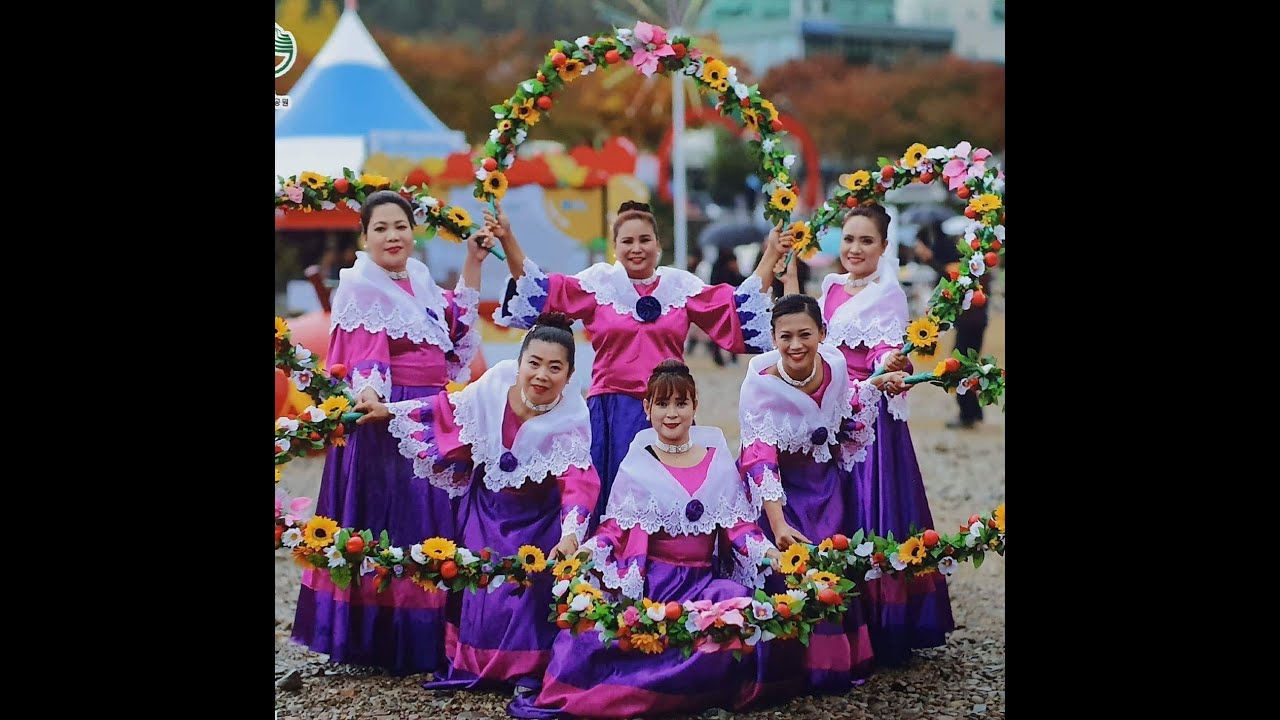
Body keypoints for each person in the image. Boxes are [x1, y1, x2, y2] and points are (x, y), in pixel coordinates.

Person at [291, 190, 496, 675]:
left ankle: (436, 635)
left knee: (435, 523)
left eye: (400, 226)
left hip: (431, 410)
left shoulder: (419, 279)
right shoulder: (362, 287)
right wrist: (371, 397)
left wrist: (473, 261)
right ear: (365, 237)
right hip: (389, 419)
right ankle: (392, 640)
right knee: (400, 522)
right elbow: (364, 354)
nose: (392, 236)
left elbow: (456, 337)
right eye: (380, 228)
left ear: (413, 231)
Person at [485, 200, 790, 522]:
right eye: (627, 241)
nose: (636, 248)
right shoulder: (598, 284)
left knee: (673, 503)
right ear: (615, 247)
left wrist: (770, 253)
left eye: (644, 240)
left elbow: (736, 308)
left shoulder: (680, 287)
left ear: (657, 245)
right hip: (610, 414)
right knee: (612, 506)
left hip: (670, 410)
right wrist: (507, 237)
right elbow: (539, 291)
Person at [509, 360, 783, 719]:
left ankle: (689, 687)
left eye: (681, 404)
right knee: (592, 634)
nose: (672, 414)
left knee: (742, 611)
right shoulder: (635, 465)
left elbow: (739, 528)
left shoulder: (717, 460)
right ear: (647, 408)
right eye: (662, 404)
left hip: (703, 583)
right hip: (654, 584)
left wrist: (771, 553)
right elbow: (614, 530)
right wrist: (583, 549)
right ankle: (655, 689)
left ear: (694, 407)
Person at [385, 312, 600, 695]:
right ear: (519, 364)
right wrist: (386, 413)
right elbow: (445, 412)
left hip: (537, 521)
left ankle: (528, 669)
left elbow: (579, 482)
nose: (541, 375)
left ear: (568, 377)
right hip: (485, 510)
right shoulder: (493, 387)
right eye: (533, 363)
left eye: (555, 368)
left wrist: (570, 535)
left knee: (525, 591)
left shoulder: (571, 417)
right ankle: (469, 660)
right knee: (478, 587)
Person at [738, 293, 908, 690]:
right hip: (779, 493)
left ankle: (836, 662)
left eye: (805, 334)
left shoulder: (834, 365)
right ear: (773, 338)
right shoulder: (759, 387)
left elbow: (844, 408)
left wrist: (875, 384)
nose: (796, 345)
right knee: (791, 568)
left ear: (823, 333)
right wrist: (777, 524)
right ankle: (789, 666)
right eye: (785, 337)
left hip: (825, 484)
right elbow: (759, 458)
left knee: (834, 561)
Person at [812, 204, 956, 667]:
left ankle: (885, 623)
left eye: (866, 241)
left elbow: (890, 350)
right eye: (849, 239)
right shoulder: (832, 288)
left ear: (883, 247)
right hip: (834, 411)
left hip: (872, 420)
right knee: (839, 511)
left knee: (877, 511)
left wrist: (889, 365)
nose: (855, 249)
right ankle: (845, 618)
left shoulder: (888, 294)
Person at [914, 222, 989, 429]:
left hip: (971, 321)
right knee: (965, 365)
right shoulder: (975, 261)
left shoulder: (974, 264)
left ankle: (969, 414)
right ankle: (973, 412)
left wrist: (930, 259)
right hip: (972, 321)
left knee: (959, 366)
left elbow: (952, 275)